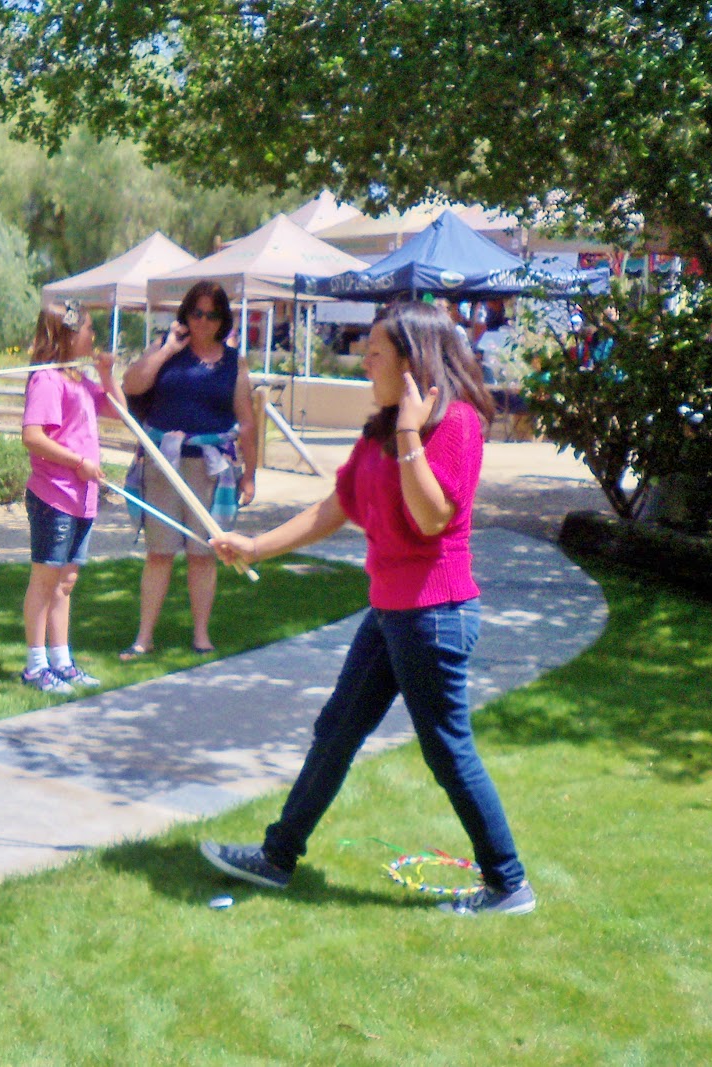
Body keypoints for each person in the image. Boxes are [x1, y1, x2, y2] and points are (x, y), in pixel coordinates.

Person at [199, 301, 536, 917]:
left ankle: (508, 883)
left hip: (434, 614)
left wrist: (410, 433)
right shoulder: (380, 428)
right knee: (337, 730)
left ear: (412, 359)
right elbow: (337, 506)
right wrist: (257, 545)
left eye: (376, 351)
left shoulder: (453, 425)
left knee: (447, 750)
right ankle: (277, 857)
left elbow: (434, 516)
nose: (364, 359)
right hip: (391, 613)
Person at [119, 280, 257, 659]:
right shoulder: (167, 350)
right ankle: (143, 637)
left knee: (204, 553)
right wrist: (166, 350)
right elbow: (131, 385)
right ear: (186, 314)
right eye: (196, 312)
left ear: (222, 319)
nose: (203, 321)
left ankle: (201, 635)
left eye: (212, 314)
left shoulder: (234, 363)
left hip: (210, 468)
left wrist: (250, 474)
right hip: (164, 463)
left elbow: (247, 421)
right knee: (159, 553)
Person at [18, 301, 124, 694]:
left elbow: (118, 411)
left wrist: (108, 373)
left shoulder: (78, 379)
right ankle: (35, 666)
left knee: (66, 583)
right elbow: (33, 436)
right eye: (89, 330)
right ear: (68, 333)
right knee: (45, 581)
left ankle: (62, 662)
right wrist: (78, 461)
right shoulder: (47, 379)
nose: (93, 338)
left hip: (82, 497)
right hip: (55, 495)